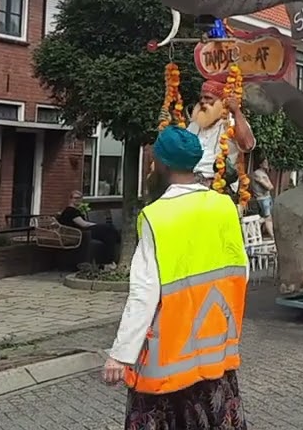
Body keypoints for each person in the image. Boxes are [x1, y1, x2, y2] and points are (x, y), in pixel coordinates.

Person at [103, 126, 249, 430]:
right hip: (214, 353)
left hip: (168, 361)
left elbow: (144, 293)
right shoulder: (224, 208)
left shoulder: (157, 217)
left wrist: (121, 355)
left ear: (161, 165)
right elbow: (241, 272)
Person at [188, 80, 257, 190]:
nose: (202, 102)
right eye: (201, 98)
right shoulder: (195, 124)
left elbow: (248, 145)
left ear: (222, 101)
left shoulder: (232, 123)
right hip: (190, 184)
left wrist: (236, 112)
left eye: (208, 98)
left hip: (219, 187)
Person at [57, 189, 123, 269]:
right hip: (80, 234)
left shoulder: (75, 210)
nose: (78, 200)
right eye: (76, 198)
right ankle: (111, 258)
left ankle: (108, 261)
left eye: (80, 198)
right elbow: (83, 224)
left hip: (82, 233)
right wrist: (97, 225)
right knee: (108, 229)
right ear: (70, 199)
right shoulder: (70, 211)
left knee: (109, 234)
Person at [250, 158, 275, 239]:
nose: (266, 164)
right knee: (268, 218)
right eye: (264, 162)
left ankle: (255, 231)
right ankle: (272, 236)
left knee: (266, 218)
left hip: (266, 198)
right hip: (262, 198)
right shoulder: (258, 174)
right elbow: (269, 186)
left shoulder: (263, 173)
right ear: (260, 164)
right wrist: (267, 182)